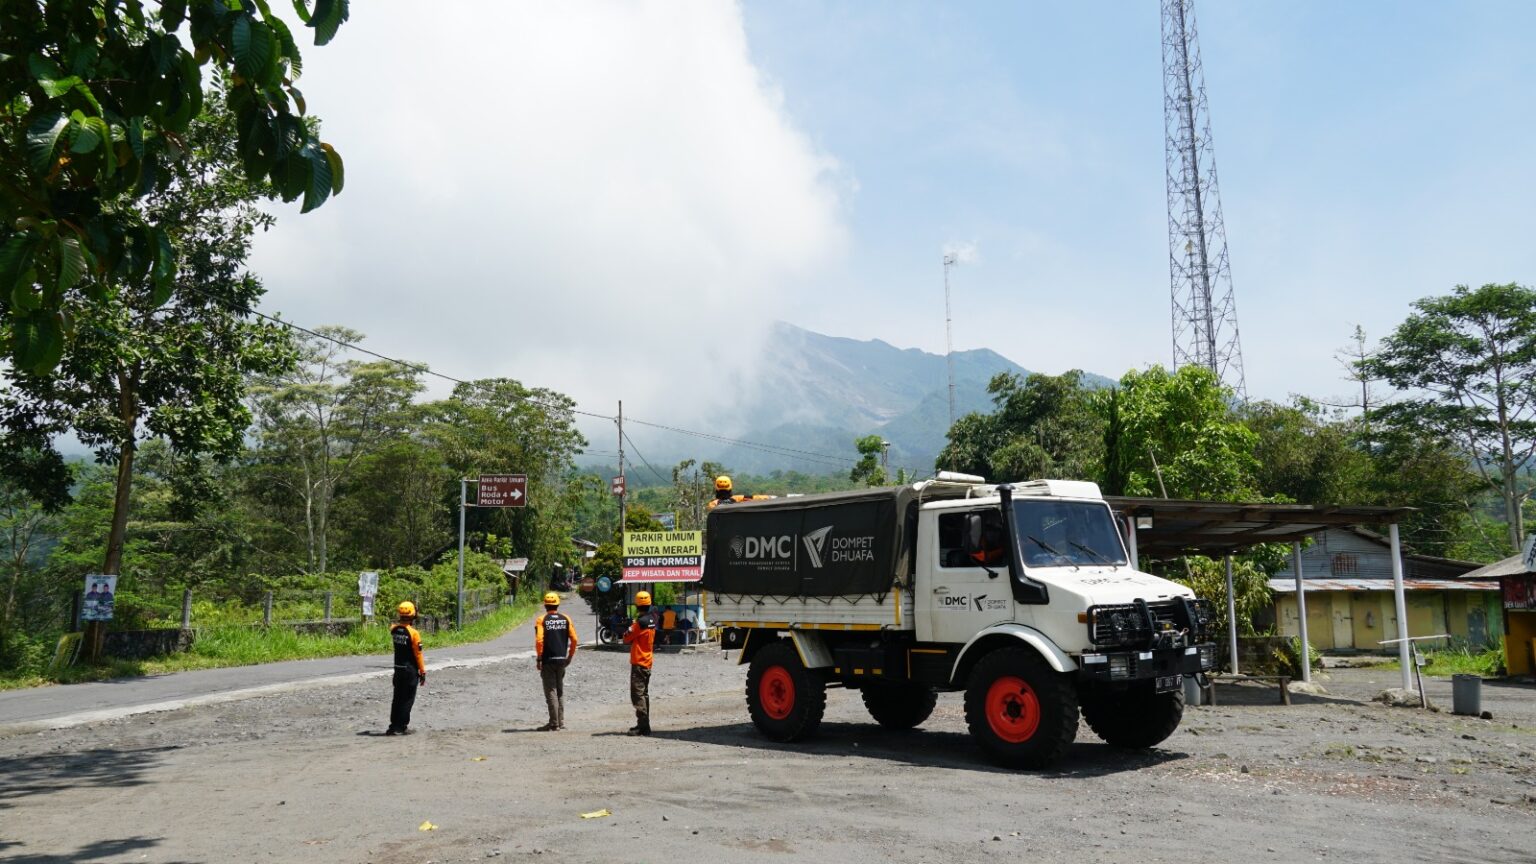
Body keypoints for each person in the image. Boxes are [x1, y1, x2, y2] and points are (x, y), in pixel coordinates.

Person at [534, 591, 578, 731]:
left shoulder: (542, 619)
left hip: (548, 660)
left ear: (545, 605)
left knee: (551, 691)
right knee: (559, 691)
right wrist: (570, 656)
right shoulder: (566, 618)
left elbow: (539, 640)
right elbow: (574, 639)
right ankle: (561, 721)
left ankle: (554, 723)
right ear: (558, 604)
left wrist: (539, 658)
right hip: (561, 660)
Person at [622, 590, 659, 735]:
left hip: (639, 661)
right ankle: (645, 724)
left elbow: (626, 638)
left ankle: (643, 727)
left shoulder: (640, 623)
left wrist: (629, 627)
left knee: (637, 695)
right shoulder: (652, 619)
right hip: (648, 661)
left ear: (637, 606)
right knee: (644, 694)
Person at [387, 601, 426, 735]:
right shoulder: (414, 633)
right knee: (408, 698)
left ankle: (393, 726)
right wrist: (422, 671)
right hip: (410, 670)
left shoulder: (394, 629)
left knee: (397, 698)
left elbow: (396, 626)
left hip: (398, 669)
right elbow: (418, 654)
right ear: (413, 615)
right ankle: (401, 726)